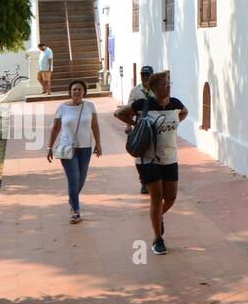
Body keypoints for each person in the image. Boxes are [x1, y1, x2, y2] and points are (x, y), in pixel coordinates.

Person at [115, 70, 186, 256]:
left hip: (170, 157)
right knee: (156, 197)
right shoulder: (144, 105)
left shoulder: (176, 104)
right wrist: (134, 124)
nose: (168, 86)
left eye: (169, 83)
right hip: (148, 159)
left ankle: (158, 217)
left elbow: (184, 113)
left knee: (171, 197)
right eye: (164, 84)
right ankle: (158, 239)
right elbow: (118, 113)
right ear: (154, 88)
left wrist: (174, 123)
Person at [46, 79, 102, 223]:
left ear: (84, 92)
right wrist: (49, 147)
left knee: (81, 180)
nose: (77, 92)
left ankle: (72, 198)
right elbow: (55, 128)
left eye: (79, 89)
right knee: (73, 179)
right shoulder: (62, 108)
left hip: (85, 148)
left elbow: (95, 126)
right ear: (70, 92)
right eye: (74, 89)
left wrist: (98, 144)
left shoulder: (90, 106)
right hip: (67, 149)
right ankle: (76, 211)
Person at [128, 66, 157, 195]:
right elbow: (129, 109)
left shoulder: (156, 90)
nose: (145, 77)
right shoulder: (135, 91)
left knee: (154, 153)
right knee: (140, 154)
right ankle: (143, 181)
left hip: (155, 126)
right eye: (143, 75)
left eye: (147, 75)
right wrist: (130, 126)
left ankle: (154, 179)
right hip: (140, 127)